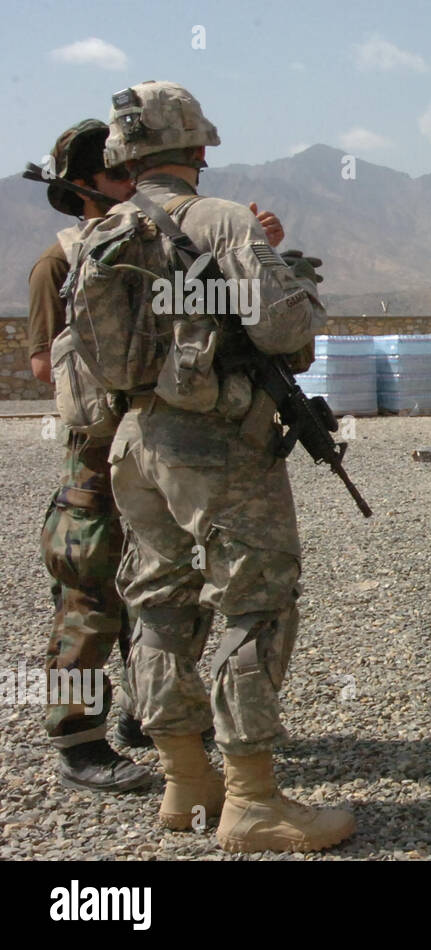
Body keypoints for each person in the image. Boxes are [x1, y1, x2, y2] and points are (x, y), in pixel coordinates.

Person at [99, 80, 353, 851]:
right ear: (199, 149)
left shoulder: (100, 232)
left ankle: (184, 780)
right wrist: (301, 285)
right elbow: (281, 328)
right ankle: (252, 798)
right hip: (215, 445)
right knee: (256, 600)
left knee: (159, 601)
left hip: (135, 440)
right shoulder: (225, 222)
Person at [28, 120, 151, 793]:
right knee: (89, 591)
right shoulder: (59, 262)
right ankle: (77, 739)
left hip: (154, 446)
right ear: (85, 185)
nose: (133, 185)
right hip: (98, 453)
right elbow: (51, 368)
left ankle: (148, 711)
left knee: (163, 584)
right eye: (117, 175)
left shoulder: (154, 249)